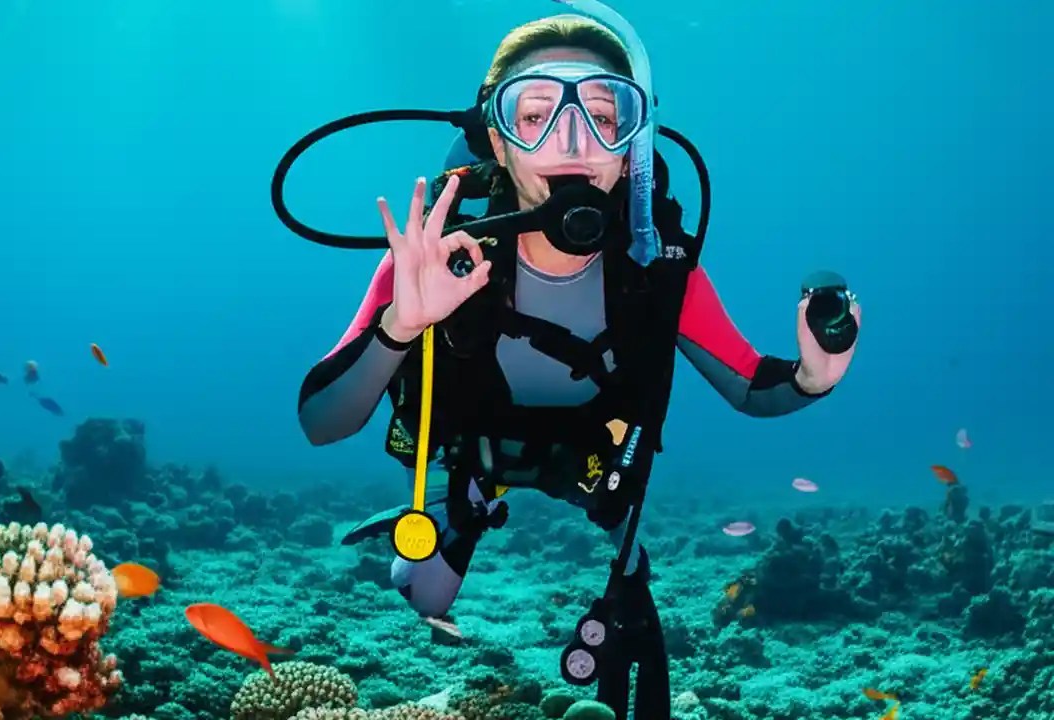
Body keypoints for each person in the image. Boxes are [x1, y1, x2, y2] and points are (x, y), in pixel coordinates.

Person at [287, 3, 860, 718]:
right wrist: (401, 324)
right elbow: (320, 421)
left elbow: (751, 387)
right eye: (533, 115)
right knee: (419, 595)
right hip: (474, 456)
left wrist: (812, 377)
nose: (572, 138)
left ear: (632, 146)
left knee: (631, 578)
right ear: (496, 144)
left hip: (599, 465)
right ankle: (464, 511)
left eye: (602, 112)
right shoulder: (440, 255)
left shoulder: (655, 265)